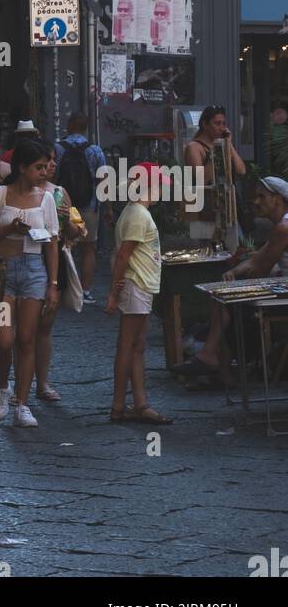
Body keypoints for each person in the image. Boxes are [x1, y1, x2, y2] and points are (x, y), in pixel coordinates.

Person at [0, 139, 60, 428]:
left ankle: (22, 404)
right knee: (4, 340)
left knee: (26, 339)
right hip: (4, 273)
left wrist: (53, 283)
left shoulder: (46, 199)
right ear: (22, 168)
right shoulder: (0, 194)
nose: (44, 172)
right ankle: (3, 386)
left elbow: (51, 241)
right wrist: (9, 228)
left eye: (45, 166)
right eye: (38, 167)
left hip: (34, 273)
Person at [172, 176, 288, 382]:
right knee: (221, 297)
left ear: (277, 199)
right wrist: (235, 273)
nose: (256, 202)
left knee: (226, 301)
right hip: (281, 289)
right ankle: (214, 361)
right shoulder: (280, 227)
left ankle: (214, 360)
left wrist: (238, 281)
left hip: (282, 296)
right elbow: (259, 258)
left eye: (262, 197)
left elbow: (260, 269)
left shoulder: (282, 229)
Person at [107, 163, 172, 424]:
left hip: (140, 284)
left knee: (136, 346)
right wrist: (114, 292)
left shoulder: (134, 212)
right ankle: (119, 406)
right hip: (136, 284)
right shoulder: (138, 214)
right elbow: (123, 255)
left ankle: (138, 404)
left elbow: (121, 254)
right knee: (128, 344)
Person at [34, 141, 87, 404]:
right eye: (47, 160)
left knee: (44, 326)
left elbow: (78, 232)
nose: (52, 165)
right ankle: (13, 383)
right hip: (26, 259)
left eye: (53, 160)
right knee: (20, 329)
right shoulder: (15, 192)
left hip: (53, 260)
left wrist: (66, 220)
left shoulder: (59, 193)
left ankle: (42, 383)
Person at [54, 112, 107, 304]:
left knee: (59, 246)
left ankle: (60, 285)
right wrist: (106, 208)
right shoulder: (95, 150)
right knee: (88, 249)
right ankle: (85, 290)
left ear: (69, 126)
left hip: (61, 205)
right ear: (86, 128)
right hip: (89, 205)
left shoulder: (57, 148)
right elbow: (103, 182)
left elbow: (51, 176)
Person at [184, 106, 247, 241]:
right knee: (209, 251)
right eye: (217, 123)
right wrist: (215, 154)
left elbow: (241, 171)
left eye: (224, 124)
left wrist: (228, 144)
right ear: (205, 124)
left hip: (227, 208)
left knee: (237, 247)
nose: (222, 128)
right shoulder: (194, 147)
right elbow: (201, 181)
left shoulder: (223, 144)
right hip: (205, 210)